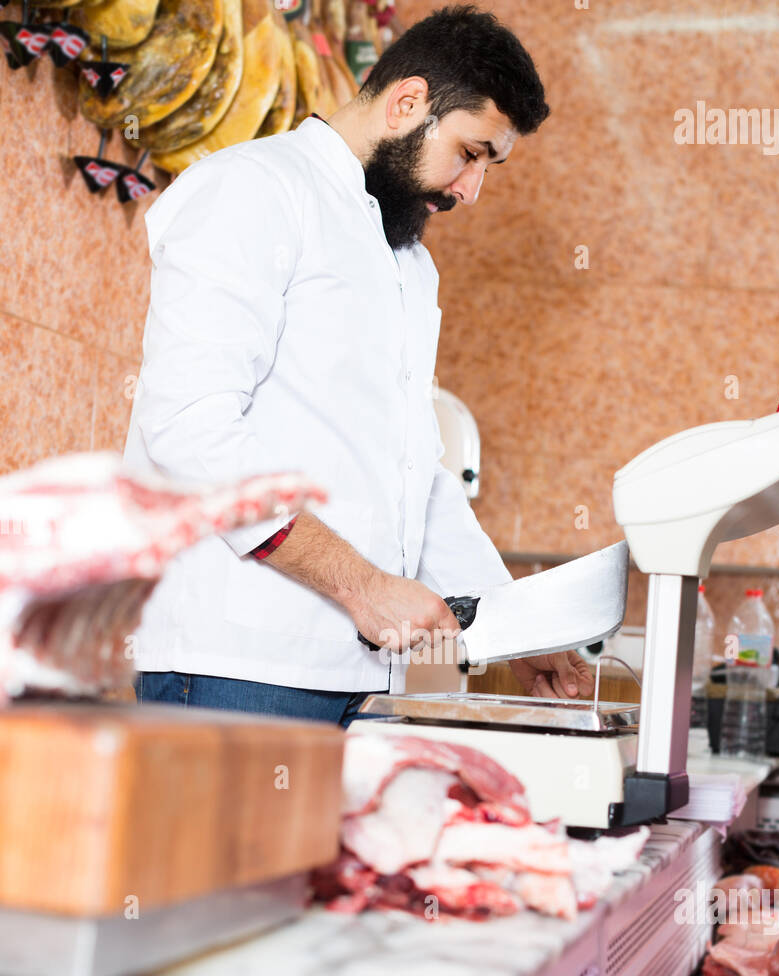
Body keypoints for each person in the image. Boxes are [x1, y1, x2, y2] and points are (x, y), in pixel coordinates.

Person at [125, 4, 593, 725]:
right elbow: (188, 426)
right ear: (408, 103)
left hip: (362, 676)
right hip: (235, 665)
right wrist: (363, 587)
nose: (470, 191)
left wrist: (519, 630)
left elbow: (417, 477)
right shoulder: (254, 189)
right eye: (471, 154)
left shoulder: (407, 263)